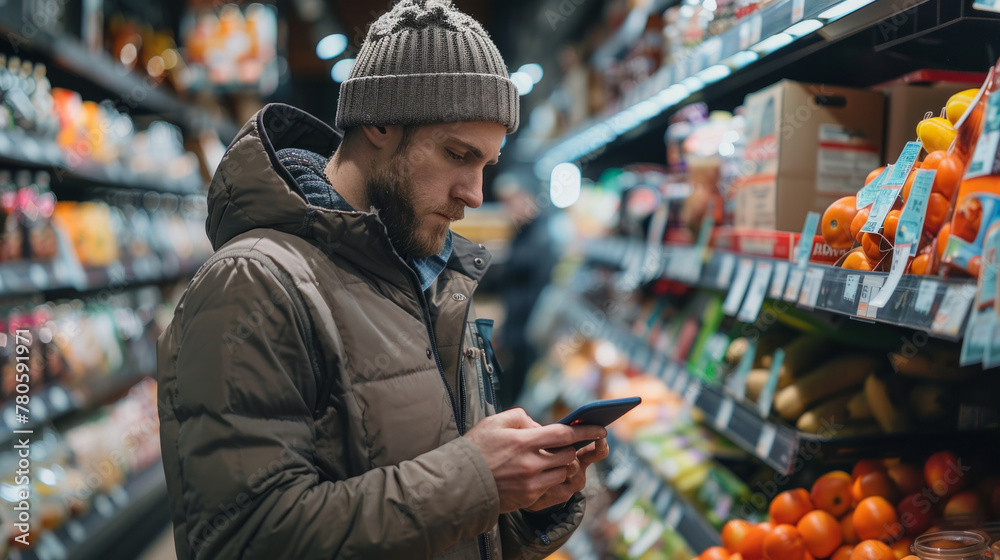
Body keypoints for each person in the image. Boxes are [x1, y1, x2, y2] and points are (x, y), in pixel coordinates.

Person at [156, 1, 609, 559]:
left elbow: (442, 520)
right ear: (379, 123)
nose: (475, 193)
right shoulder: (253, 284)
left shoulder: (428, 276)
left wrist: (527, 501)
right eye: (456, 154)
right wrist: (475, 477)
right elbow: (242, 541)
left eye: (486, 165)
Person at [490, 173, 568, 409]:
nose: (508, 209)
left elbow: (529, 273)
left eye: (511, 202)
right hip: (516, 326)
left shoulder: (543, 233)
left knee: (521, 387)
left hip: (530, 327)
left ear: (527, 198)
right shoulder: (522, 231)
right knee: (511, 386)